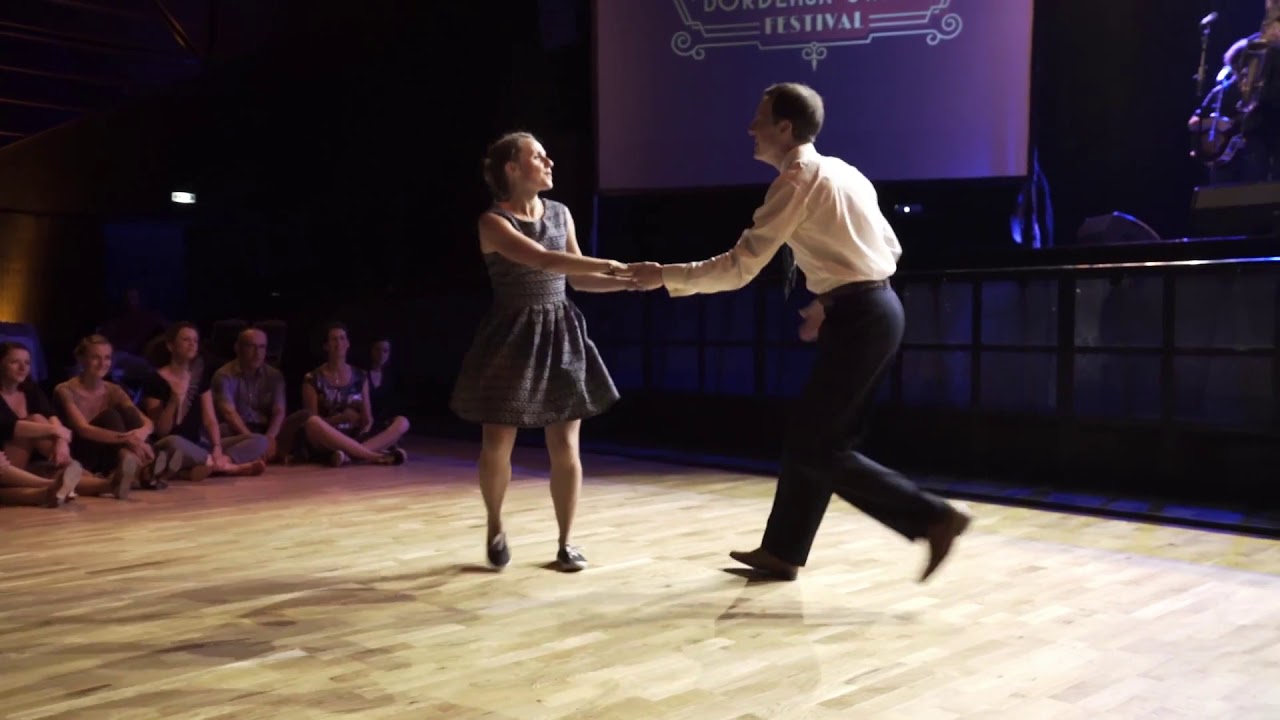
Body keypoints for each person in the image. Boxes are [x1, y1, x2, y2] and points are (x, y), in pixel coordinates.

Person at [631, 83, 971, 582]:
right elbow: (890, 249)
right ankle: (783, 551)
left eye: (760, 118)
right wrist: (828, 300)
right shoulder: (844, 171)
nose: (751, 128)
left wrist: (662, 275)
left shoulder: (797, 180)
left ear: (784, 128)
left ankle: (933, 517)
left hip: (863, 316)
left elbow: (740, 266)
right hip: (875, 309)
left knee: (816, 445)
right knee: (815, 439)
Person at [450, 131, 637, 572]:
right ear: (512, 169)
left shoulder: (560, 213)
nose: (549, 161)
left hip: (559, 330)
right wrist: (614, 266)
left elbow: (578, 278)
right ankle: (495, 525)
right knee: (498, 442)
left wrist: (629, 282)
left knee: (566, 442)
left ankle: (566, 542)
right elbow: (544, 260)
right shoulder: (494, 222)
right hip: (512, 333)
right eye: (538, 156)